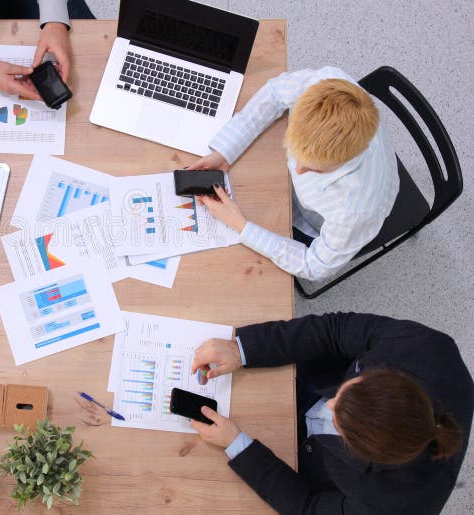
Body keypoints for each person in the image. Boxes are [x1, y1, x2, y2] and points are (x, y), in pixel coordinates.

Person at [189, 312, 473, 515]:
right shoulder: (425, 347)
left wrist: (237, 445)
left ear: (362, 452)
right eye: (347, 390)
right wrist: (242, 350)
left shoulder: (389, 504)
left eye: (340, 424)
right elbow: (332, 330)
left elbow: (307, 506)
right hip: (305, 380)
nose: (328, 406)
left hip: (305, 464)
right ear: (383, 375)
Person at [188, 67, 399, 281]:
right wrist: (225, 152)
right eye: (293, 149)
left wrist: (240, 225)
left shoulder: (353, 212)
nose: (297, 171)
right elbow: (275, 94)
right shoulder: (325, 82)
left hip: (321, 221)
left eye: (314, 169)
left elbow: (314, 266)